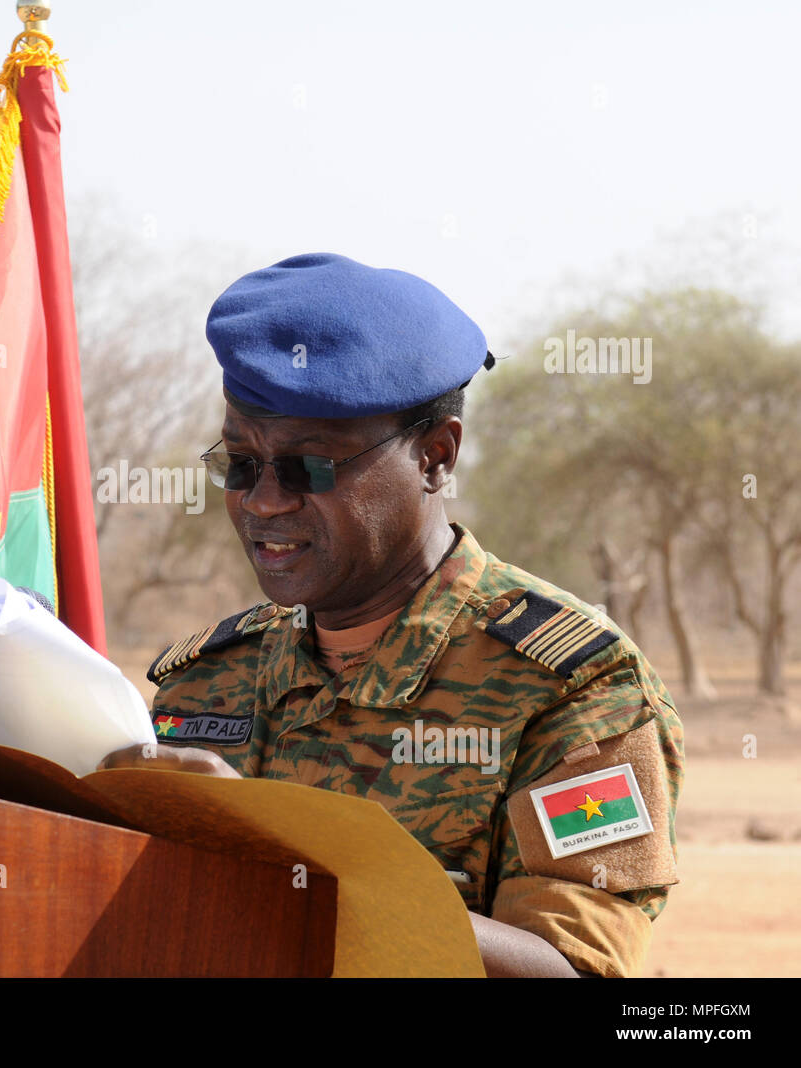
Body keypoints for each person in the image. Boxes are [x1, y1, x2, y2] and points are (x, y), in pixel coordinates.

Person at [99, 253, 683, 979]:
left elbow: (570, 970)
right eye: (240, 464)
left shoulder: (575, 688)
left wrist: (282, 852)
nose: (264, 501)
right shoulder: (206, 683)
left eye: (309, 468)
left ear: (435, 457)